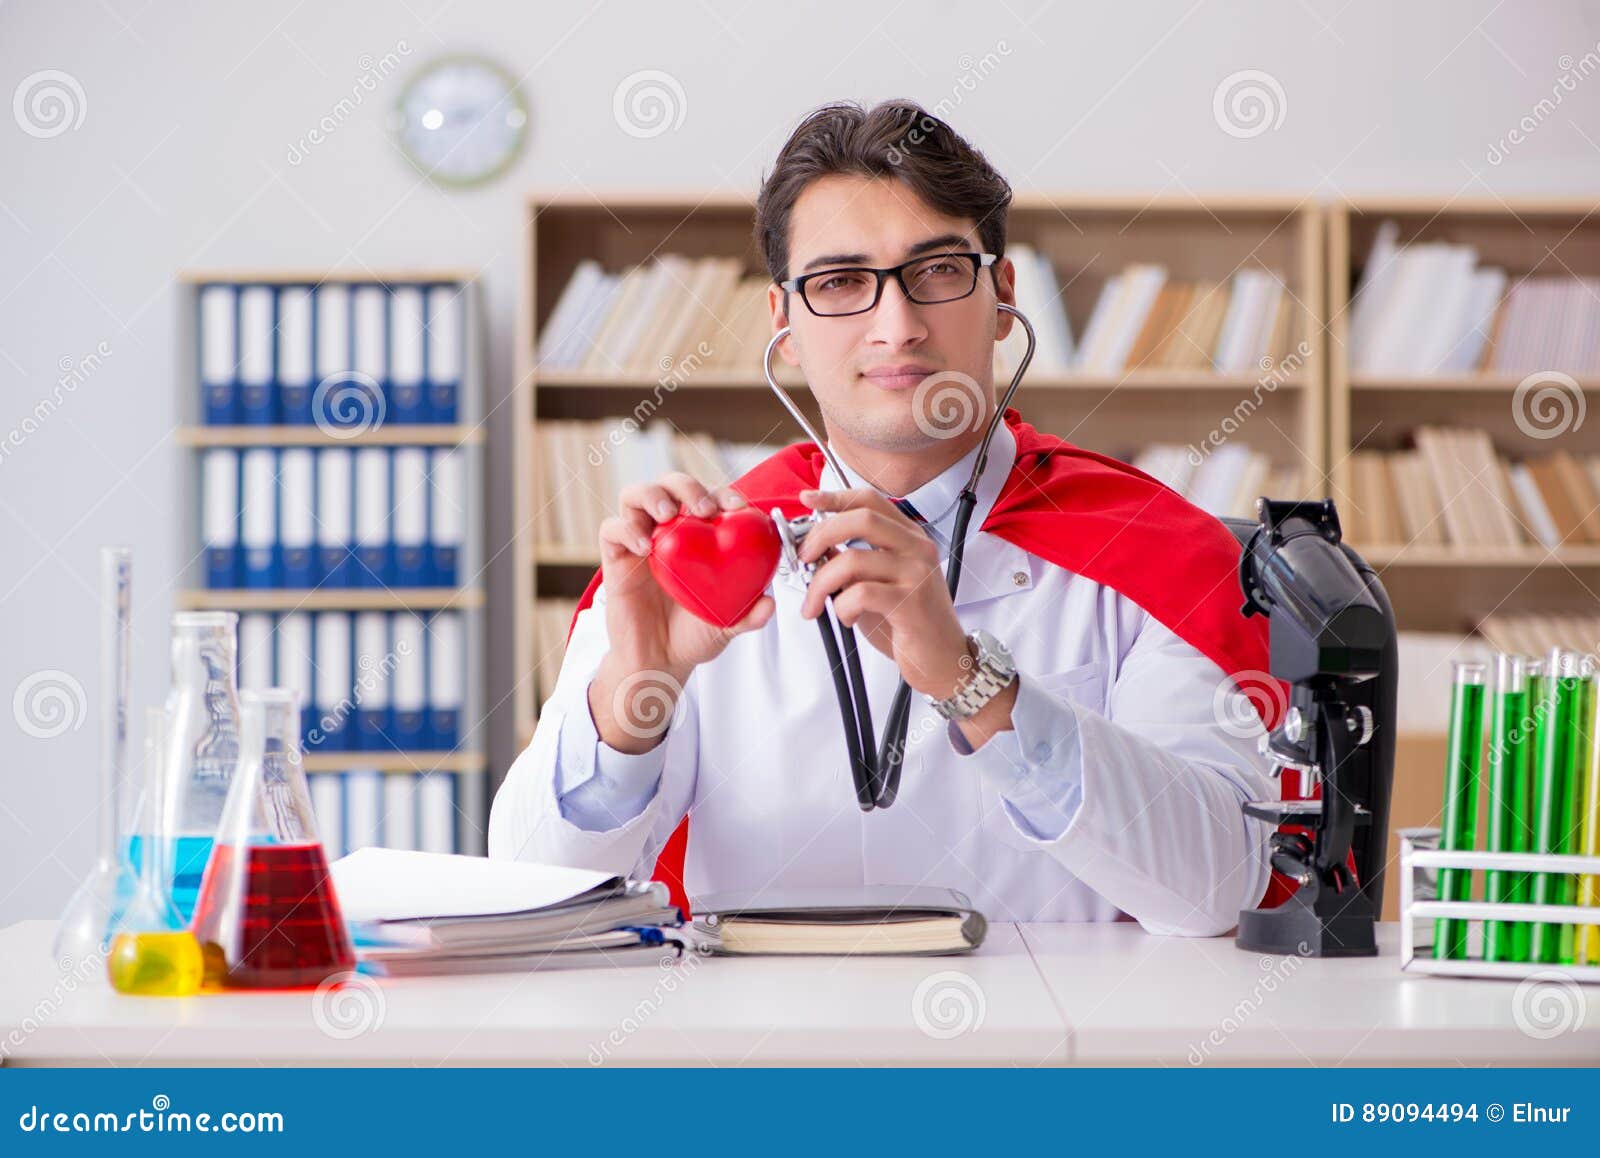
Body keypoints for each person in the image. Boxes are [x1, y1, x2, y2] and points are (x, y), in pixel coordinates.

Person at [490, 98, 1283, 936]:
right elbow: (529, 900)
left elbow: (1221, 891)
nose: (897, 327)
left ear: (1003, 294)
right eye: (839, 283)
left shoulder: (1154, 549)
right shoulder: (689, 563)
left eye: (938, 271)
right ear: (784, 325)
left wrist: (973, 683)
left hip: (1059, 1060)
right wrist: (633, 695)